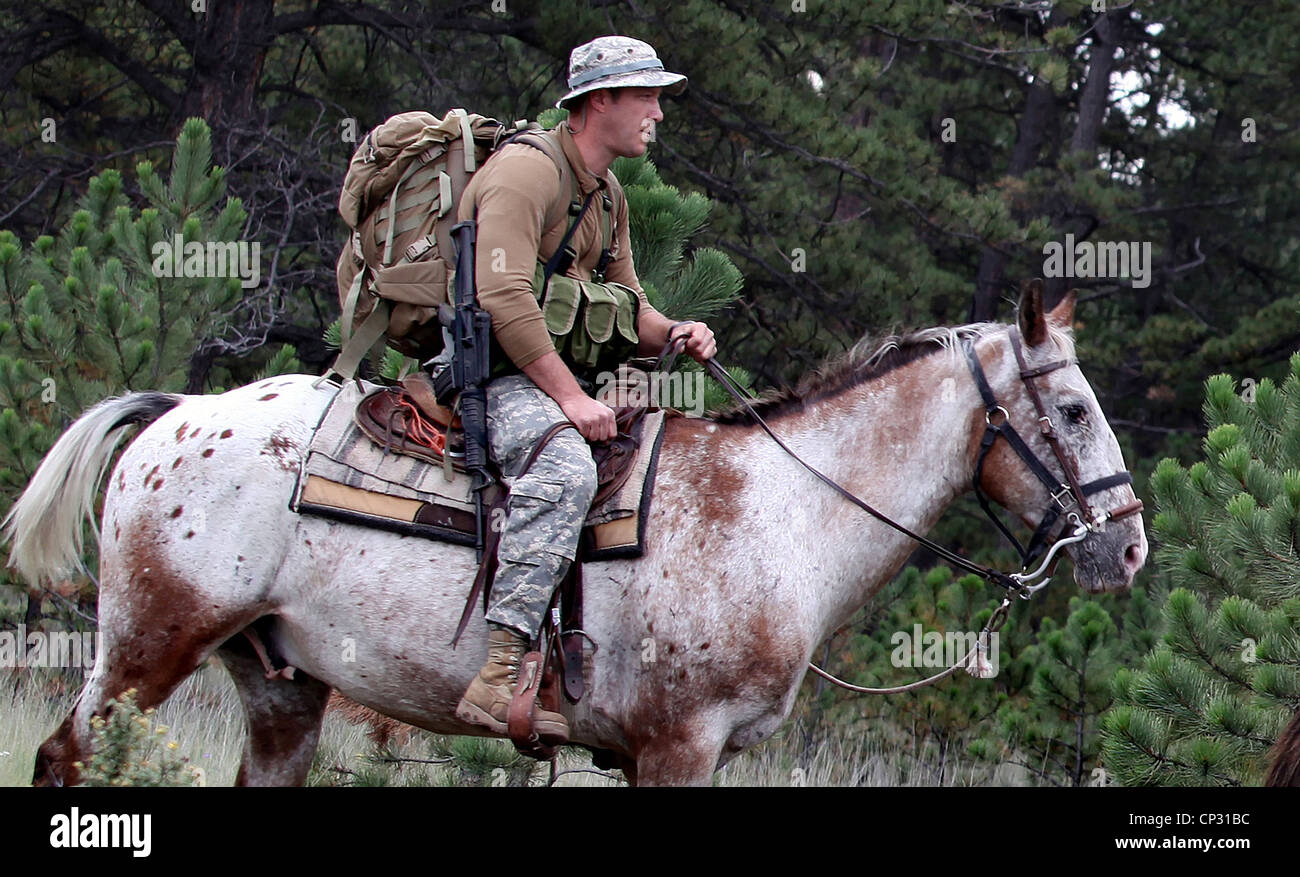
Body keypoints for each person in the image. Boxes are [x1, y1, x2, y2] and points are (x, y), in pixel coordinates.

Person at [452, 36, 717, 745]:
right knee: (566, 466)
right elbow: (500, 293)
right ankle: (499, 673)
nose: (658, 112)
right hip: (491, 378)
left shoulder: (609, 194)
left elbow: (631, 307)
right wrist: (571, 400)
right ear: (599, 101)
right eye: (647, 96)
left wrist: (677, 332)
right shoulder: (524, 173)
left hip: (552, 379)